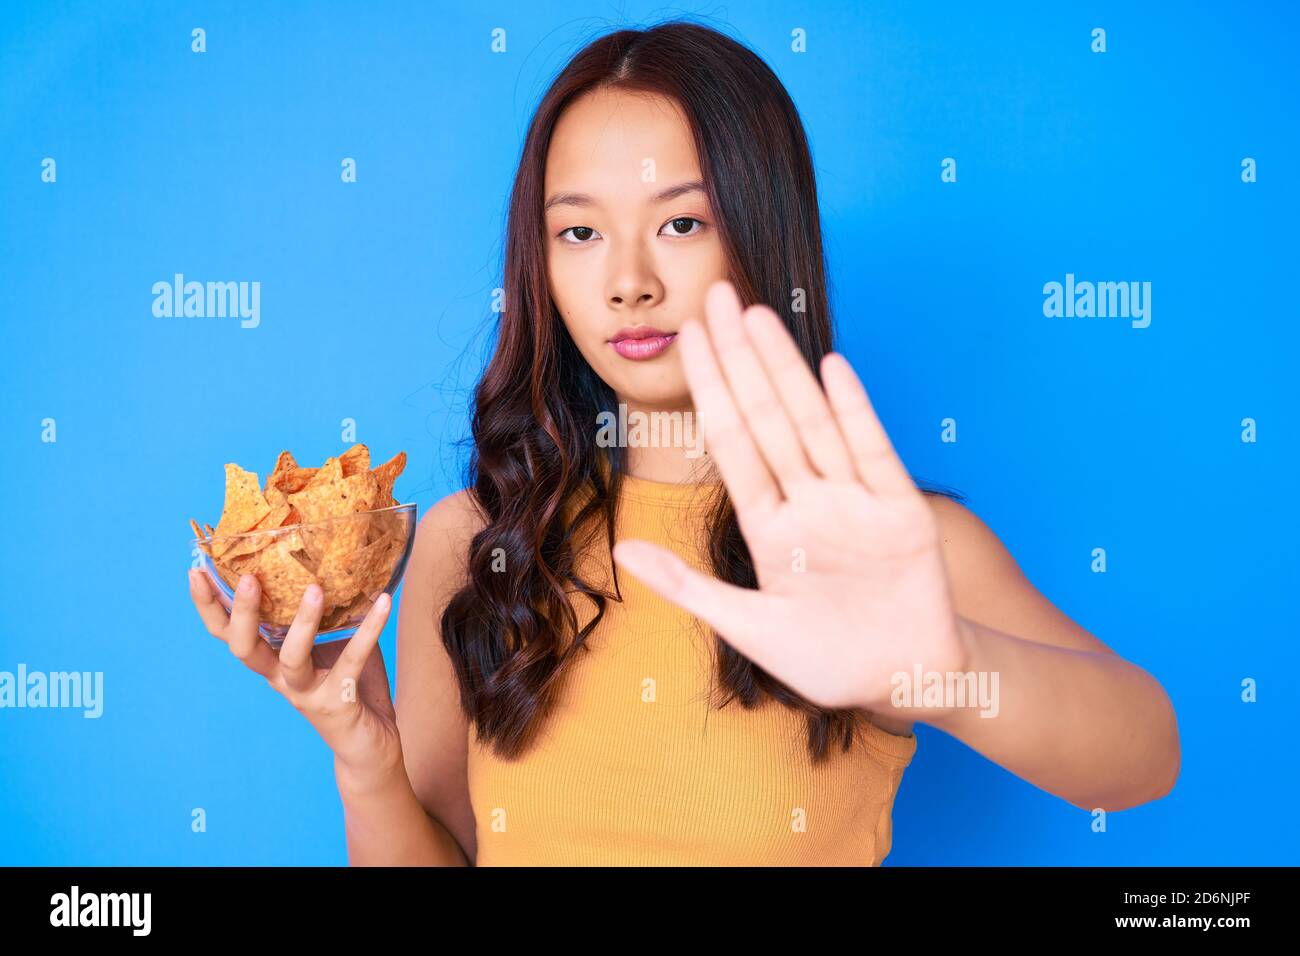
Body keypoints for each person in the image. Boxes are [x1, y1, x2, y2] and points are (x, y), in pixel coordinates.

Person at [187, 20, 1180, 866]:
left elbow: (1146, 750)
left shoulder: (884, 546)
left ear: (761, 231)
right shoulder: (471, 543)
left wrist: (945, 665)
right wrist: (362, 756)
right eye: (579, 233)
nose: (626, 281)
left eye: (682, 221)